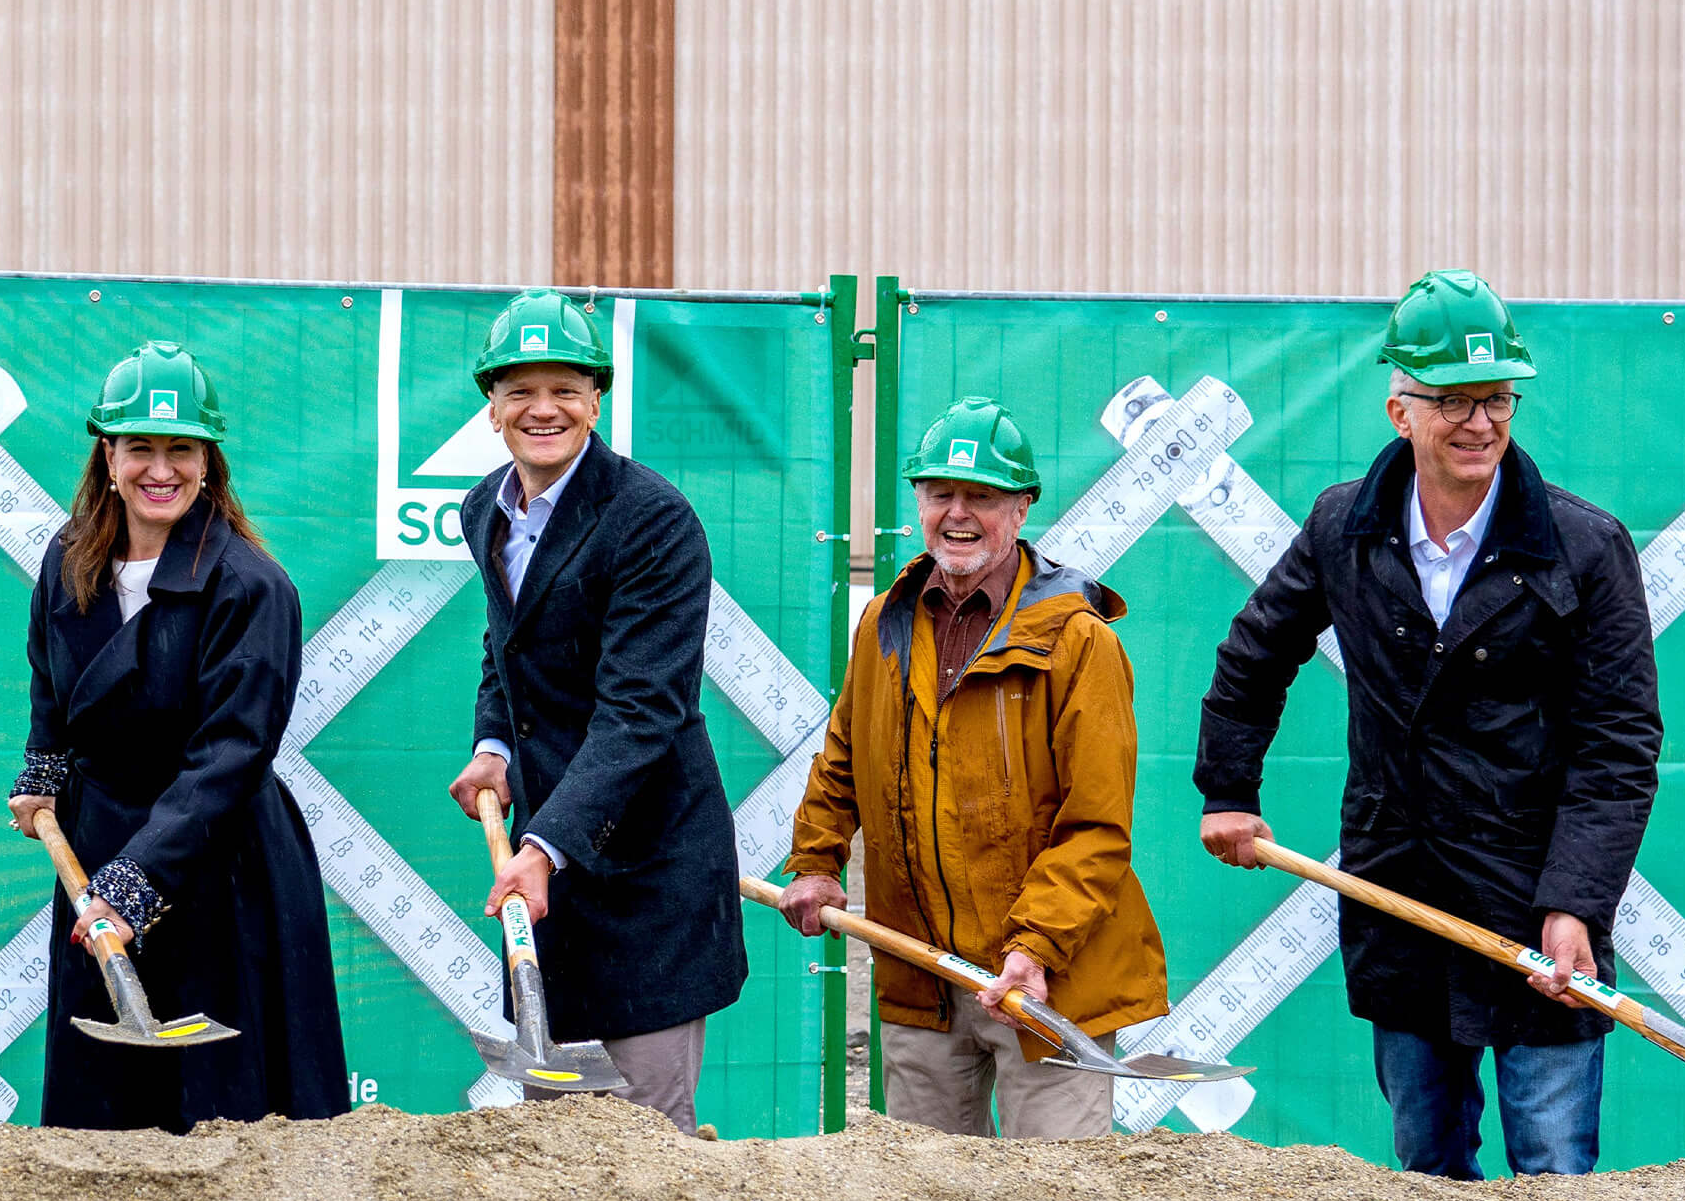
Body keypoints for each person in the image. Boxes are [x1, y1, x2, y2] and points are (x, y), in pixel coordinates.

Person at [1197, 270, 1662, 1179]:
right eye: (1452, 400)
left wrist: (1577, 904)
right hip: (1398, 890)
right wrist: (1228, 789)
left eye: (1496, 399)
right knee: (1425, 1180)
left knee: (1558, 1187)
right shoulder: (1343, 527)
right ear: (1399, 409)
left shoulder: (1585, 546)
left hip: (1534, 903)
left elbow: (1619, 744)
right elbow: (1255, 654)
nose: (1479, 423)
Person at [773, 399, 1168, 1139]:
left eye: (982, 496)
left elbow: (1097, 828)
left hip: (1048, 985)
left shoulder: (1079, 643)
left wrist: (1036, 948)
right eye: (941, 494)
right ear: (919, 502)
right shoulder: (886, 621)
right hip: (921, 971)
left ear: (1020, 509)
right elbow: (844, 756)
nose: (959, 513)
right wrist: (817, 859)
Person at [9, 340, 347, 1133]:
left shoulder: (252, 587)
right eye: (140, 449)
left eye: (181, 450)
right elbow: (49, 680)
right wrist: (45, 769)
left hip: (220, 857)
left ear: (208, 461)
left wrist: (134, 884)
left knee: (227, 1110)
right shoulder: (68, 560)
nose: (160, 470)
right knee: (105, 1108)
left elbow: (232, 754)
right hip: (96, 838)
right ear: (108, 454)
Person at [443, 290, 746, 1134]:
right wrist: (495, 743)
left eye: (566, 389)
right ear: (493, 406)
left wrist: (543, 845)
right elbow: (506, 647)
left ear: (597, 400)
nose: (545, 409)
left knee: (647, 1139)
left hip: (647, 873)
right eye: (522, 391)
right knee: (558, 1138)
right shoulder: (486, 510)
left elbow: (642, 711)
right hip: (555, 881)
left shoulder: (651, 519)